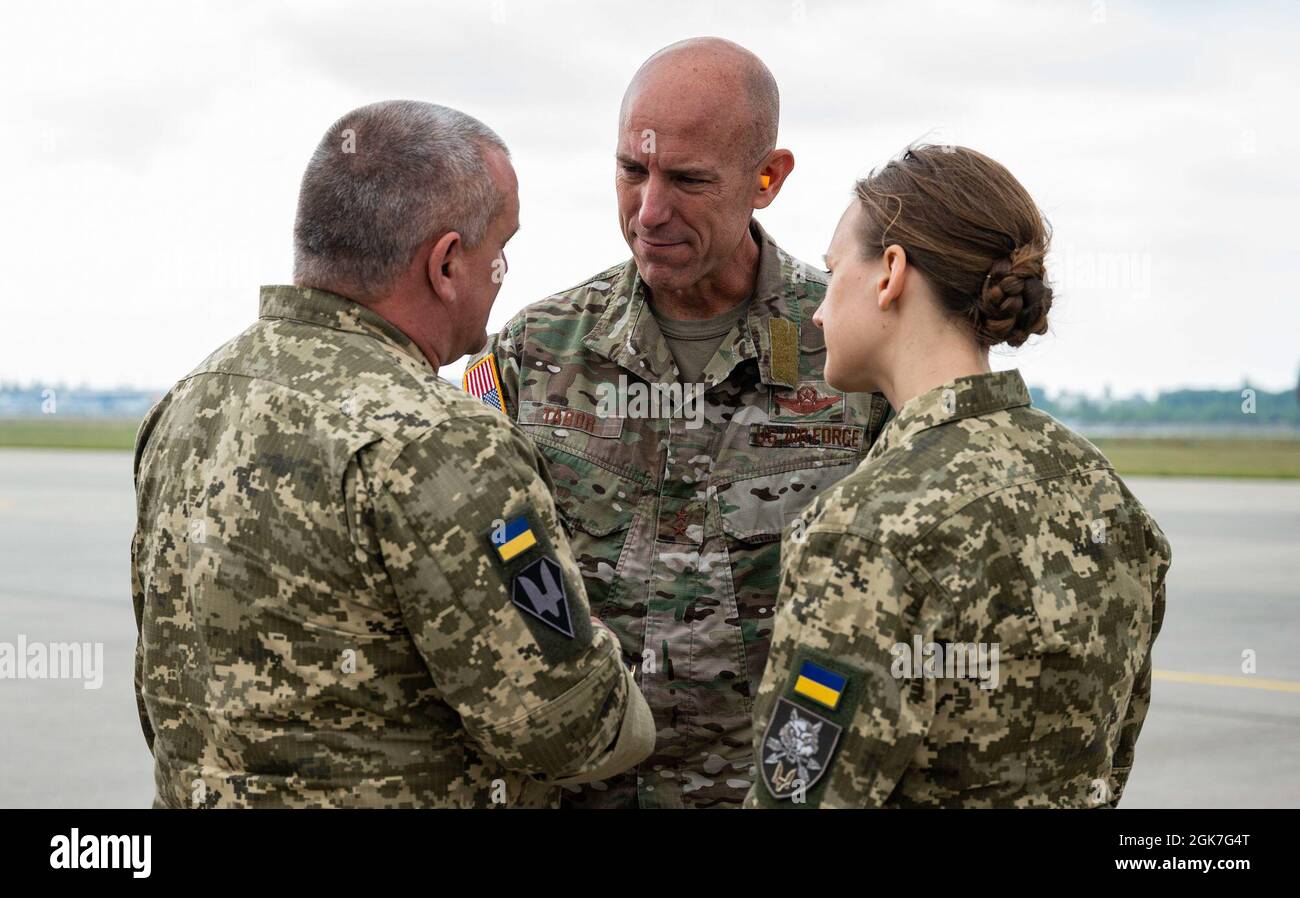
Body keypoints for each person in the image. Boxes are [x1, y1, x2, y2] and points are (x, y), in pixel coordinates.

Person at [130, 100, 653, 808]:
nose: (503, 271)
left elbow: (164, 693)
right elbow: (571, 728)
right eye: (498, 247)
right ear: (444, 264)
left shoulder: (191, 401)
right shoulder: (443, 444)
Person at [465, 38, 891, 808]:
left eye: (689, 180)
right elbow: (480, 579)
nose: (649, 212)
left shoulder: (851, 357)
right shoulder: (535, 351)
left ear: (769, 178)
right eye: (632, 170)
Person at [745, 145, 1170, 808]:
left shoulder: (865, 531)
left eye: (833, 275)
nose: (819, 312)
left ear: (890, 273)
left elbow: (799, 797)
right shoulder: (1104, 494)